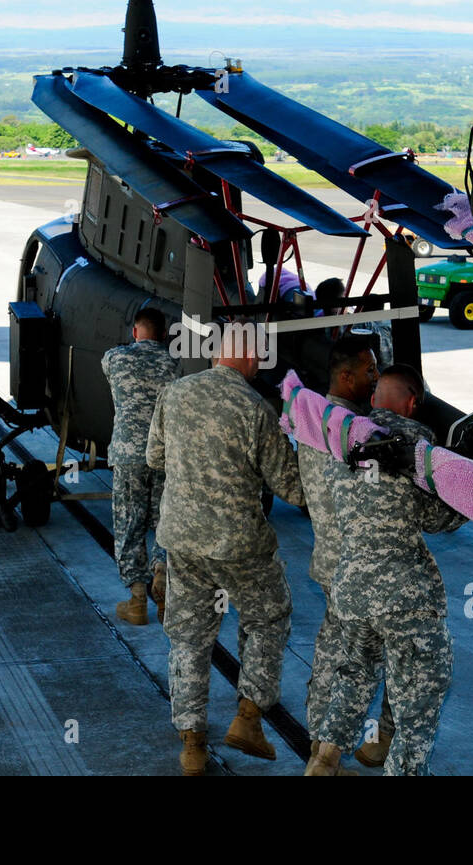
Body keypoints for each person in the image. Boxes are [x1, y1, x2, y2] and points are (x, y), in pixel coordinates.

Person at [146, 320, 305, 775]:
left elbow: (154, 458)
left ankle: (192, 742)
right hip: (241, 544)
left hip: (182, 538)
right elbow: (290, 486)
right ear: (250, 357)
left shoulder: (174, 394)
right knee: (267, 616)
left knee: (189, 637)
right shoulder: (256, 407)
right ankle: (248, 718)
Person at [307, 365, 465, 777]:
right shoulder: (417, 443)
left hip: (351, 589)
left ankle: (323, 763)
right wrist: (470, 499)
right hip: (404, 596)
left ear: (374, 398)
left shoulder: (344, 438)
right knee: (418, 707)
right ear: (413, 404)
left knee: (354, 677)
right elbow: (434, 518)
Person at [299, 334, 396, 767]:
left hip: (330, 561)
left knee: (334, 654)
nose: (376, 377)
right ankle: (381, 741)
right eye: (369, 371)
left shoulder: (312, 418)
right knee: (394, 653)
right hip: (369, 565)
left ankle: (320, 743)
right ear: (345, 376)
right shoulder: (360, 431)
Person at [101, 307, 178, 625]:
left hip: (128, 454)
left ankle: (136, 600)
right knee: (163, 521)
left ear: (135, 331)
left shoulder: (115, 359)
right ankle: (161, 570)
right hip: (164, 454)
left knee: (129, 525)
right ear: (164, 333)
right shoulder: (174, 363)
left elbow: (109, 361)